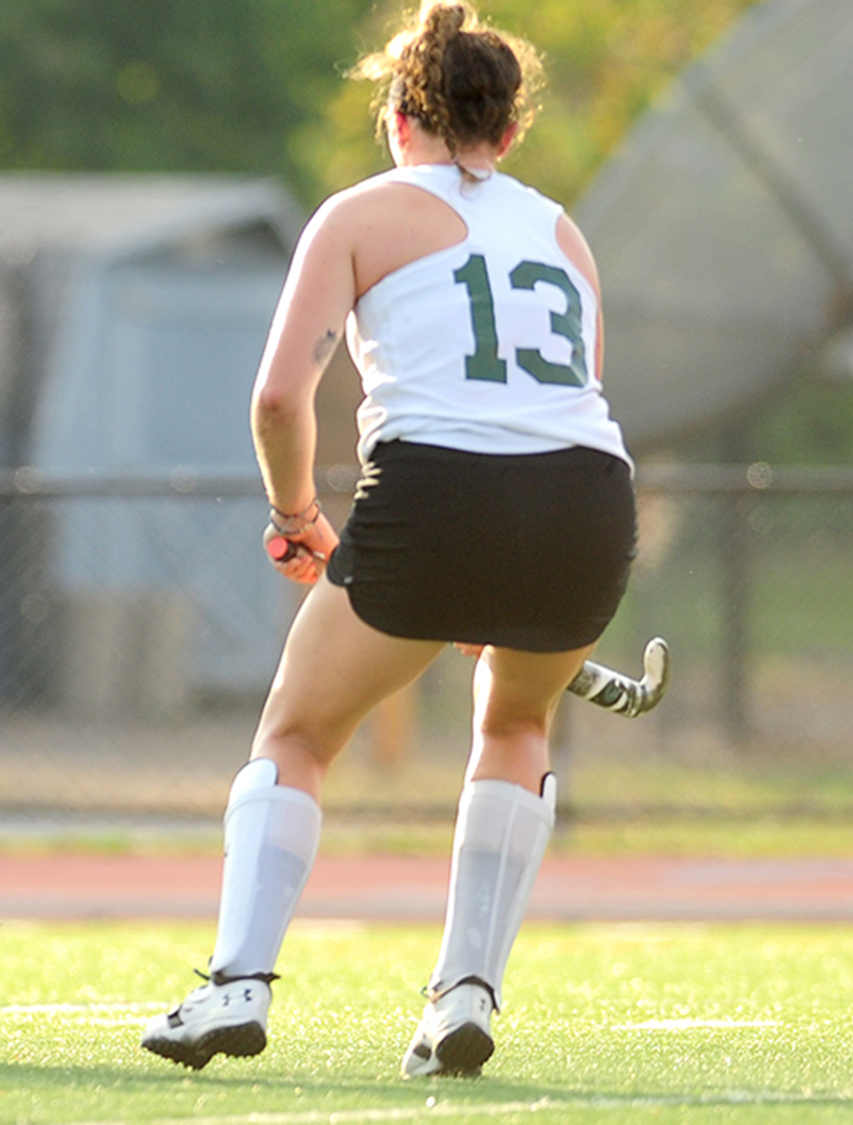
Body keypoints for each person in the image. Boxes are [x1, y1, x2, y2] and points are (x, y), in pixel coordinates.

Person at [140, 1, 634, 1079]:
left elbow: (279, 400)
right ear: (507, 132)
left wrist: (292, 517)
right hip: (587, 498)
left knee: (296, 736)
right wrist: (488, 580)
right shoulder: (558, 229)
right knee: (513, 728)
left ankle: (234, 984)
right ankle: (464, 997)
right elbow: (565, 403)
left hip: (435, 491)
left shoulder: (358, 214)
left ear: (394, 117)